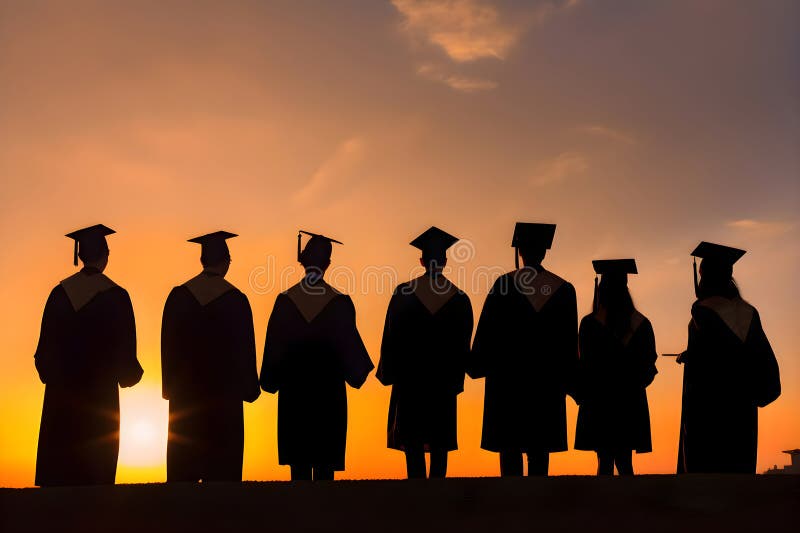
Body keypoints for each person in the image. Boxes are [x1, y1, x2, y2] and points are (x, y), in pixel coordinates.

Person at [34, 224, 143, 486]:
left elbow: (43, 354)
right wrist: (129, 375)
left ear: (80, 256)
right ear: (106, 255)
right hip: (100, 402)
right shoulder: (117, 297)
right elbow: (126, 359)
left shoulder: (59, 294)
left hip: (61, 402)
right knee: (95, 484)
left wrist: (56, 376)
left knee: (59, 486)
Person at [260, 230, 374, 481]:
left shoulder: (285, 302)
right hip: (328, 399)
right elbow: (353, 360)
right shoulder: (340, 303)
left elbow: (273, 351)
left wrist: (270, 380)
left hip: (295, 398)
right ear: (328, 264)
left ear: (303, 260)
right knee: (325, 473)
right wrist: (355, 373)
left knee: (298, 472)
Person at [469, 222, 578, 476]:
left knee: (510, 445)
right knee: (539, 448)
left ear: (520, 252)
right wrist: (569, 379)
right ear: (544, 252)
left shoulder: (504, 285)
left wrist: (476, 364)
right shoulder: (563, 290)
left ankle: (510, 501)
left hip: (508, 381)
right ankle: (538, 504)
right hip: (546, 382)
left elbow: (487, 334)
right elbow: (569, 343)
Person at [161, 231, 260, 483]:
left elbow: (167, 349)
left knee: (184, 480)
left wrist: (170, 388)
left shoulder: (178, 297)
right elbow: (245, 351)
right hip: (224, 403)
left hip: (186, 403)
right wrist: (249, 389)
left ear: (202, 260)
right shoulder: (236, 300)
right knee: (222, 481)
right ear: (226, 260)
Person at [376, 226, 473, 479]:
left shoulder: (404, 294)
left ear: (421, 260)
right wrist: (457, 377)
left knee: (413, 444)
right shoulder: (459, 299)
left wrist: (390, 373)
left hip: (411, 385)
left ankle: (416, 498)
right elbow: (464, 346)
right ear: (444, 261)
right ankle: (438, 497)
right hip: (443, 385)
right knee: (440, 445)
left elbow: (391, 340)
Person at [676, 242, 781, 474]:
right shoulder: (749, 312)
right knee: (738, 467)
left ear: (705, 277)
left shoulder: (702, 310)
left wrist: (689, 356)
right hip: (742, 403)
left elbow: (708, 358)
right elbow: (756, 355)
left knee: (709, 472)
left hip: (711, 405)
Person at [574, 259, 657, 475]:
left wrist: (585, 391)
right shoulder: (641, 323)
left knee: (604, 461)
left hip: (599, 399)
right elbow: (649, 364)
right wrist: (634, 385)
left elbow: (582, 364)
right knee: (625, 461)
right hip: (629, 400)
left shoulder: (590, 323)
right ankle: (628, 505)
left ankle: (604, 505)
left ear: (601, 290)